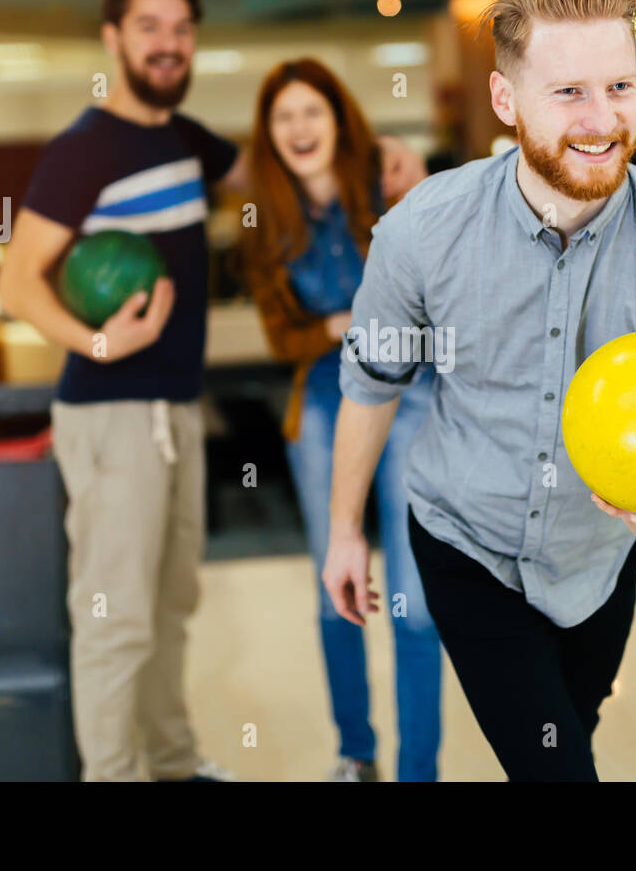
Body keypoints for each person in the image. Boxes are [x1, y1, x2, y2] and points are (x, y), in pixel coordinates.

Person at [0, 0, 424, 782]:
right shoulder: (81, 152)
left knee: (171, 608)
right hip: (110, 410)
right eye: (149, 27)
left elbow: (280, 165)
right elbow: (18, 281)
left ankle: (173, 761)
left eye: (181, 29)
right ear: (113, 39)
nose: (168, 44)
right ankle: (115, 775)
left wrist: (385, 150)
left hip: (175, 408)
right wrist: (97, 344)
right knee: (117, 619)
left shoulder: (182, 138)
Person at [322, 0, 636, 782]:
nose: (602, 118)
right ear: (506, 102)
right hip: (463, 539)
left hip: (598, 559)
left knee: (558, 744)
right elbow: (371, 388)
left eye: (620, 87)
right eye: (569, 92)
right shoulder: (423, 232)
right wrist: (342, 533)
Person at [240, 58, 441, 782]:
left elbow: (433, 285)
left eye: (311, 112)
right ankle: (356, 755)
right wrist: (345, 325)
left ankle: (421, 770)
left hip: (413, 396)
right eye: (283, 117)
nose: (299, 128)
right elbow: (282, 337)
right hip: (326, 405)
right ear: (270, 133)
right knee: (340, 586)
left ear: (338, 119)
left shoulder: (388, 181)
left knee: (416, 599)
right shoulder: (265, 220)